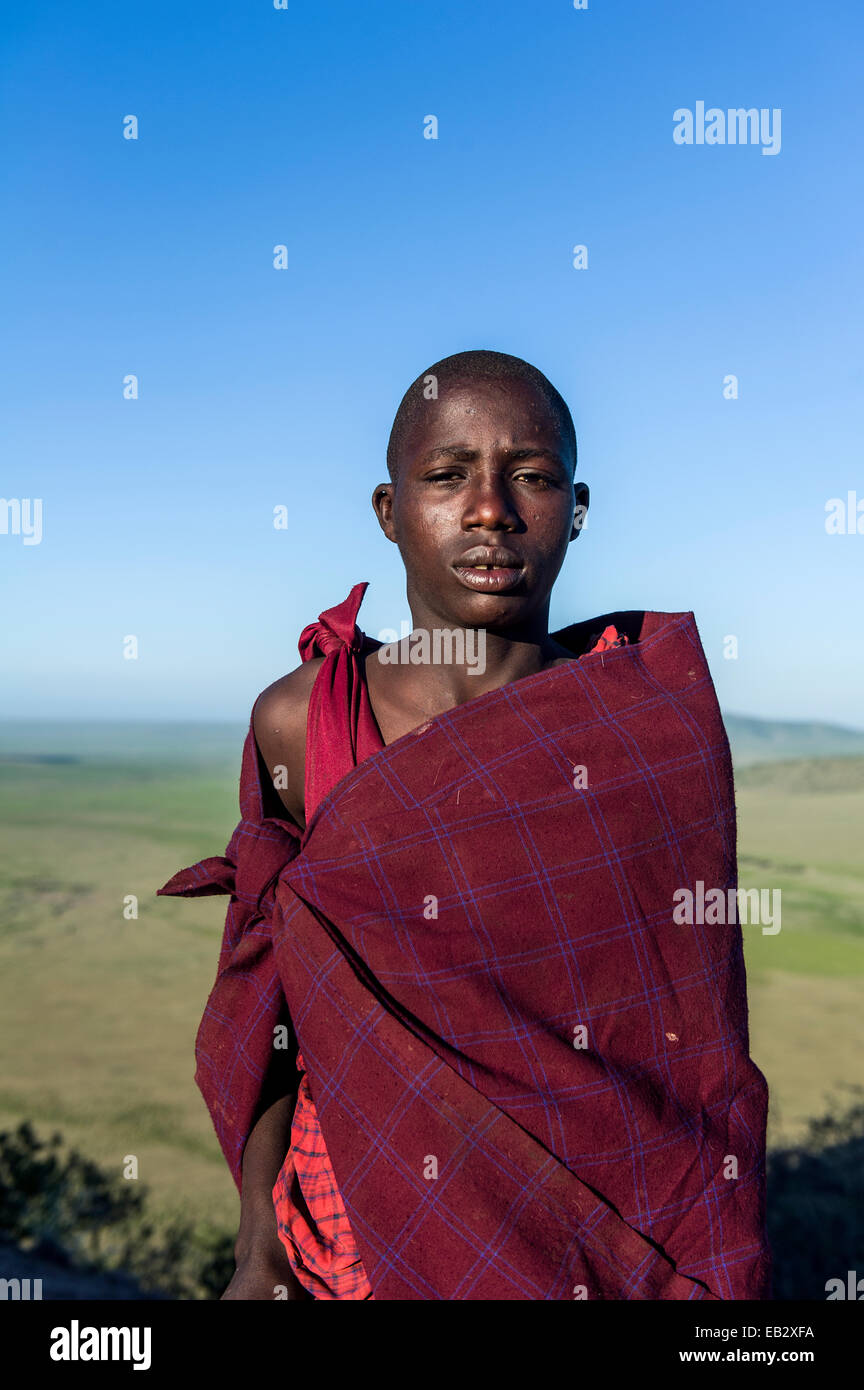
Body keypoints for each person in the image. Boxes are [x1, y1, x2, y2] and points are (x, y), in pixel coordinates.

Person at [158, 350, 772, 1301]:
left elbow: (692, 1054)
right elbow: (276, 1004)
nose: (490, 510)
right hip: (347, 1244)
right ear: (388, 511)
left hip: (606, 1251)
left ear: (576, 509)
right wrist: (257, 1251)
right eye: (447, 477)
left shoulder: (642, 718)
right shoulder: (306, 721)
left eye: (532, 476)